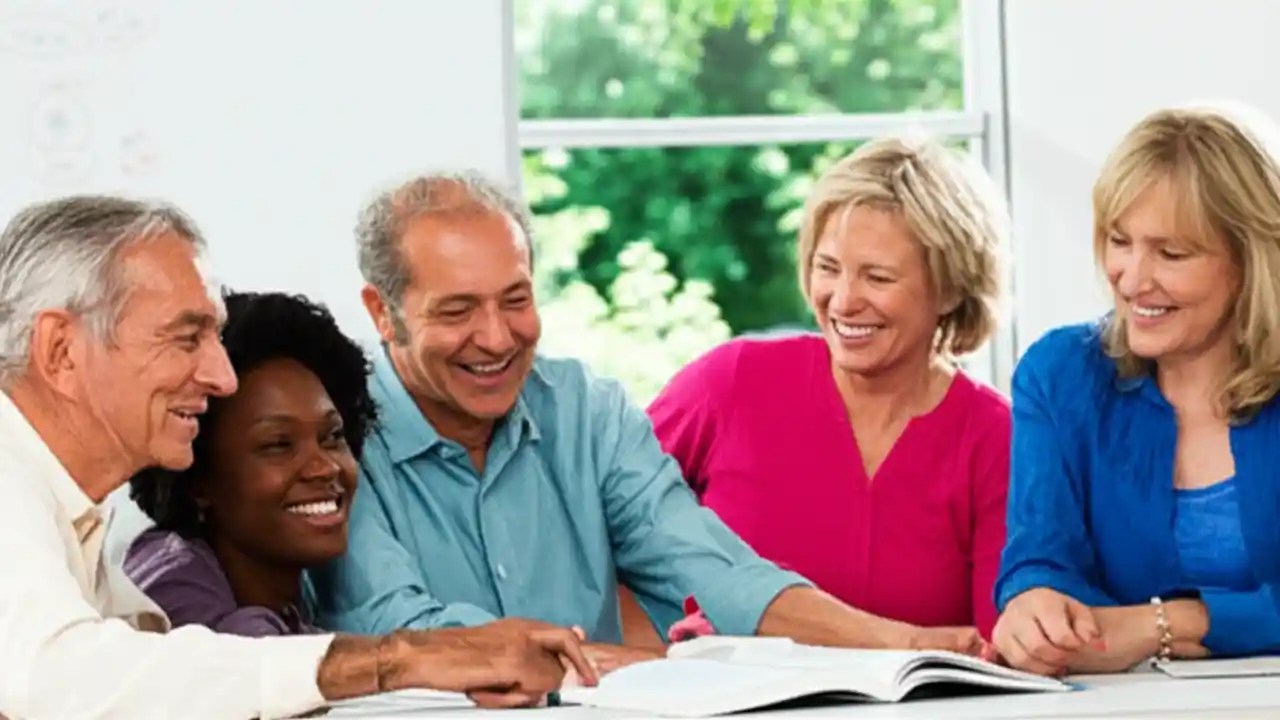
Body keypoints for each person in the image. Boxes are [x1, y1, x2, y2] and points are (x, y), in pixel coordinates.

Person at [306, 170, 987, 664]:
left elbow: (712, 568)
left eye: (516, 300)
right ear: (382, 312)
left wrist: (907, 645)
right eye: (458, 311)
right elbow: (405, 631)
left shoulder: (586, 411)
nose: (496, 337)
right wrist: (615, 666)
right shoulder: (331, 438)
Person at [0, 195, 596, 719]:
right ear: (61, 349)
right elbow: (59, 678)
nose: (221, 377)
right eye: (186, 338)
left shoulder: (78, 518)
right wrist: (401, 658)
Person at [648, 136, 1011, 641]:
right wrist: (640, 649)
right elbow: (601, 522)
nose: (842, 301)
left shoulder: (996, 438)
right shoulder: (729, 383)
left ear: (950, 289)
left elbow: (996, 650)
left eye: (877, 278)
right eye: (828, 268)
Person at [993, 104, 1280, 676]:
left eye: (1171, 253)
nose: (1131, 279)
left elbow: (1133, 628)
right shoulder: (1060, 374)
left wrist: (1167, 623)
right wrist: (1034, 603)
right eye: (1119, 241)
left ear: (1251, 261)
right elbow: (1040, 557)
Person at [125, 290, 376, 636]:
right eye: (278, 445)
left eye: (332, 436)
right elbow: (249, 658)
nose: (325, 467)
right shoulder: (172, 588)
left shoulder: (289, 587)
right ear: (196, 477)